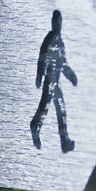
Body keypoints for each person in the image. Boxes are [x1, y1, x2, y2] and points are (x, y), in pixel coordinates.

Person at [30, 10, 77, 153]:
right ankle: (35, 126)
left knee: (61, 109)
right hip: (50, 81)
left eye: (60, 22)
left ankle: (64, 141)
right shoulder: (50, 39)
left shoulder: (60, 41)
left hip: (56, 81)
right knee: (45, 107)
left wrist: (71, 75)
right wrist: (39, 76)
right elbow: (43, 59)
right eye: (56, 22)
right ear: (53, 23)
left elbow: (62, 63)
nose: (58, 24)